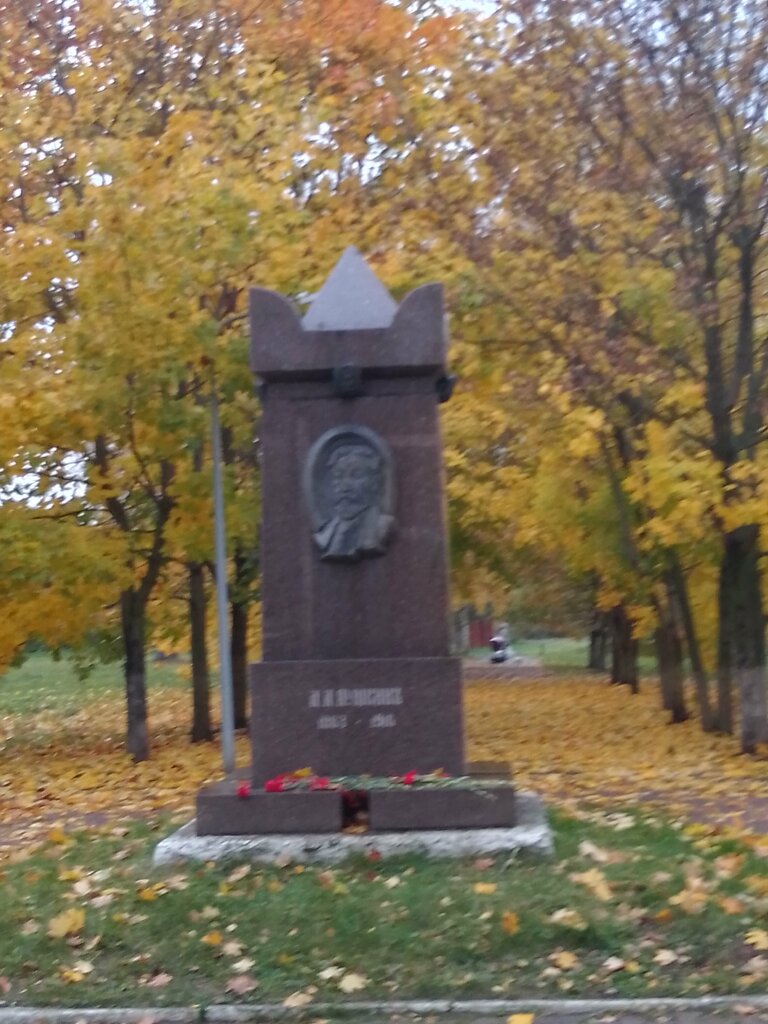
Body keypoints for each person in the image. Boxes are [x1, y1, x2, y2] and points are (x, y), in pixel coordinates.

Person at [314, 443, 394, 561]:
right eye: (338, 476)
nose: (344, 486)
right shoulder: (325, 535)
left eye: (356, 475)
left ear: (375, 483)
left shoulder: (383, 525)